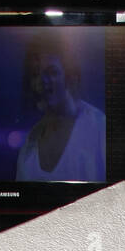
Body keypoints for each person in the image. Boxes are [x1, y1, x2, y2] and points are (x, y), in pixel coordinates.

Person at [16, 39, 105, 182]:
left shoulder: (100, 127)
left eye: (51, 72)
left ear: (70, 76)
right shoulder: (29, 148)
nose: (42, 81)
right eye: (35, 74)